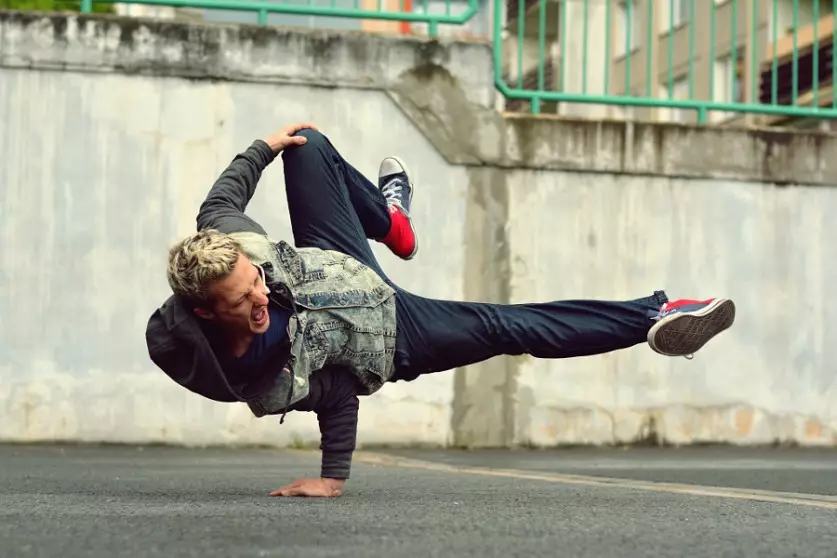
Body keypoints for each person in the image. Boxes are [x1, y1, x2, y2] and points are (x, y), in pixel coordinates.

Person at [145, 123, 736, 499]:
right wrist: (332, 477)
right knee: (513, 326)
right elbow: (338, 397)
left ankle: (394, 226)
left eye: (257, 282)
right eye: (244, 300)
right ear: (203, 313)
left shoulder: (233, 245)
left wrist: (263, 146)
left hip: (337, 263)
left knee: (308, 144)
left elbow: (223, 196)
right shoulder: (257, 377)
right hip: (396, 334)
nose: (261, 297)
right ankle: (658, 318)